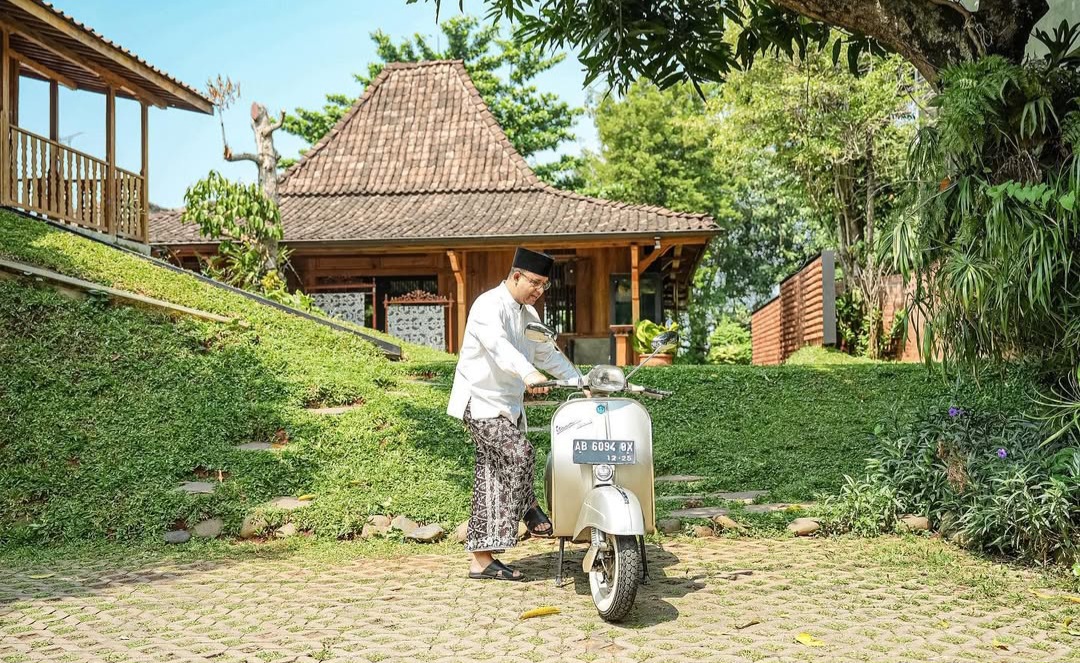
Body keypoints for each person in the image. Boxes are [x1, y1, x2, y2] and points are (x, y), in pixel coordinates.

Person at [447, 247, 581, 581]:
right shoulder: (487, 306)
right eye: (534, 282)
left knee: (491, 476)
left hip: (508, 406)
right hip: (478, 402)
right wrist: (528, 374)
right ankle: (529, 507)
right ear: (516, 276)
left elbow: (548, 354)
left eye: (544, 285)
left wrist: (580, 383)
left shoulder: (530, 316)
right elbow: (499, 347)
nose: (539, 290)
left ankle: (481, 560)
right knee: (520, 454)